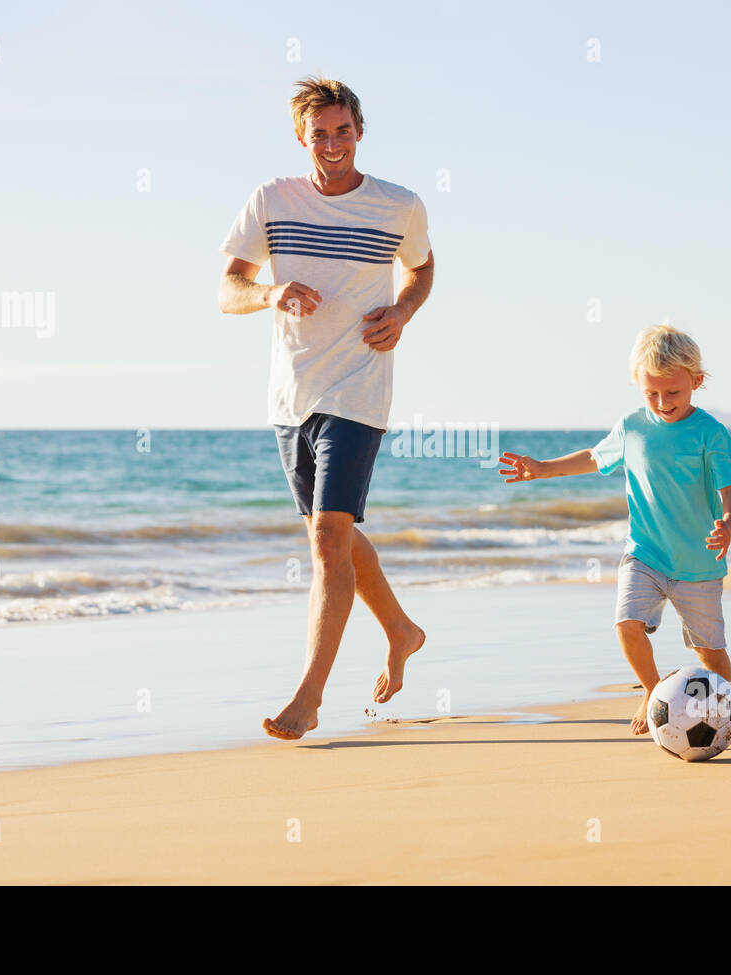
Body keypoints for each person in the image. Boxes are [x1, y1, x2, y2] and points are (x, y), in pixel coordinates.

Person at [218, 76, 434, 740]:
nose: (333, 144)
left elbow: (421, 269)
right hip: (291, 394)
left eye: (344, 131)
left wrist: (401, 310)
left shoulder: (398, 206)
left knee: (326, 537)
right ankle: (400, 629)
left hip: (359, 386)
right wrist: (271, 291)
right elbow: (229, 289)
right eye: (320, 133)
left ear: (360, 132)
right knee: (331, 534)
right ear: (300, 136)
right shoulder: (271, 201)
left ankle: (308, 698)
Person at [498, 325, 731, 738]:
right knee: (626, 625)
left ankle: (722, 718)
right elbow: (595, 459)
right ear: (638, 385)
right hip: (645, 553)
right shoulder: (632, 426)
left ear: (696, 383)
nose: (663, 403)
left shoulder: (710, 433)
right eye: (652, 393)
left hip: (699, 562)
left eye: (673, 393)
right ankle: (655, 695)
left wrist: (728, 524)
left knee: (711, 653)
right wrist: (543, 469)